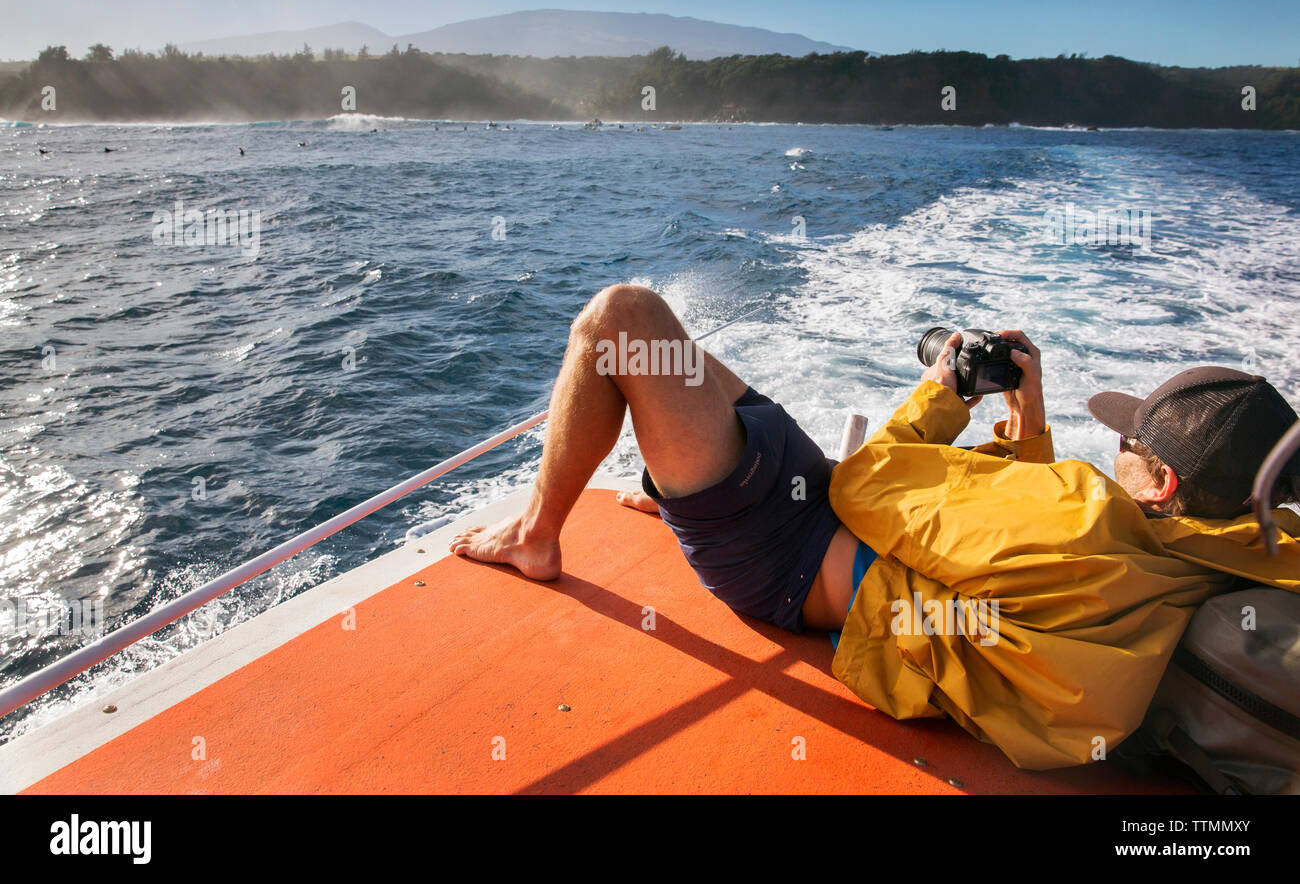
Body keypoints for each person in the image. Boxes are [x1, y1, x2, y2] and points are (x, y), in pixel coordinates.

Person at [451, 283, 1300, 768]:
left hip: (783, 550)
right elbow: (1026, 559)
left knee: (622, 323)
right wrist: (1029, 430)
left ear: (1162, 483)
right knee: (673, 365)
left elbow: (868, 484)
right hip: (814, 516)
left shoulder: (1083, 519)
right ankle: (682, 492)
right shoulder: (1225, 551)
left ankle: (537, 535)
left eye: (1128, 444)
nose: (1114, 450)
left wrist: (944, 392)